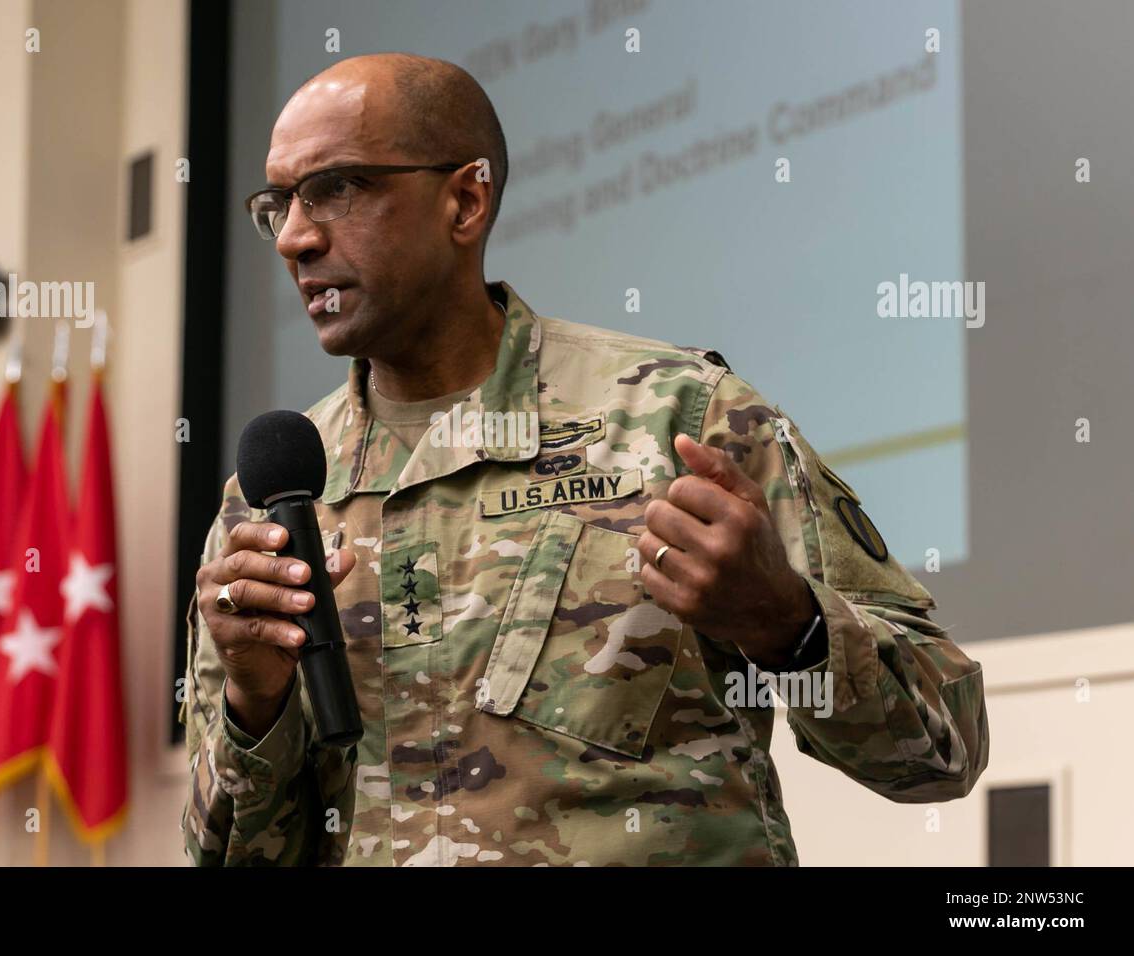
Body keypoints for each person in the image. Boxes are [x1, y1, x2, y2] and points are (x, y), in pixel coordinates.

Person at [180, 53, 988, 866]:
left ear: (465, 200)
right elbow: (223, 858)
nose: (294, 237)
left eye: (338, 189)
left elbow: (943, 751)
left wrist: (787, 624)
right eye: (277, 204)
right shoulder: (272, 503)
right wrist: (256, 706)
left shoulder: (681, 419)